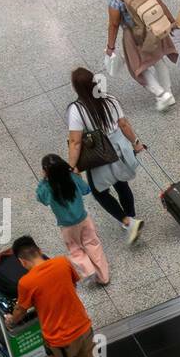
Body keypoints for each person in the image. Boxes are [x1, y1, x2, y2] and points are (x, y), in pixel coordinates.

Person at [6, 235, 110, 357]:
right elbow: (73, 283)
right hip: (83, 327)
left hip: (59, 340)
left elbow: (20, 312)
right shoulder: (62, 261)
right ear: (39, 249)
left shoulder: (27, 282)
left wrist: (10, 319)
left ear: (22, 261)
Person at [66, 66, 145, 244]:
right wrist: (136, 143)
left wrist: (72, 166)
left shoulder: (76, 110)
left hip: (99, 155)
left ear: (76, 88)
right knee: (121, 183)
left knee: (99, 192)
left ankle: (128, 222)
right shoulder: (109, 99)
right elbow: (124, 125)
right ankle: (131, 217)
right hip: (119, 150)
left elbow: (75, 142)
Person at [105, 0, 179, 112]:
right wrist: (170, 21)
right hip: (155, 28)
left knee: (139, 67)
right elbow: (159, 3)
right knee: (158, 60)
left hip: (134, 36)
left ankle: (160, 93)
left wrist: (110, 47)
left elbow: (113, 24)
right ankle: (169, 93)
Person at [36, 153, 107, 287]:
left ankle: (88, 269)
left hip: (67, 226)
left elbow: (41, 199)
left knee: (75, 250)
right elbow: (86, 190)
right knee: (93, 245)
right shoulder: (72, 178)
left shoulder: (47, 187)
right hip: (84, 219)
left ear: (46, 171)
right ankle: (104, 277)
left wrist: (43, 181)